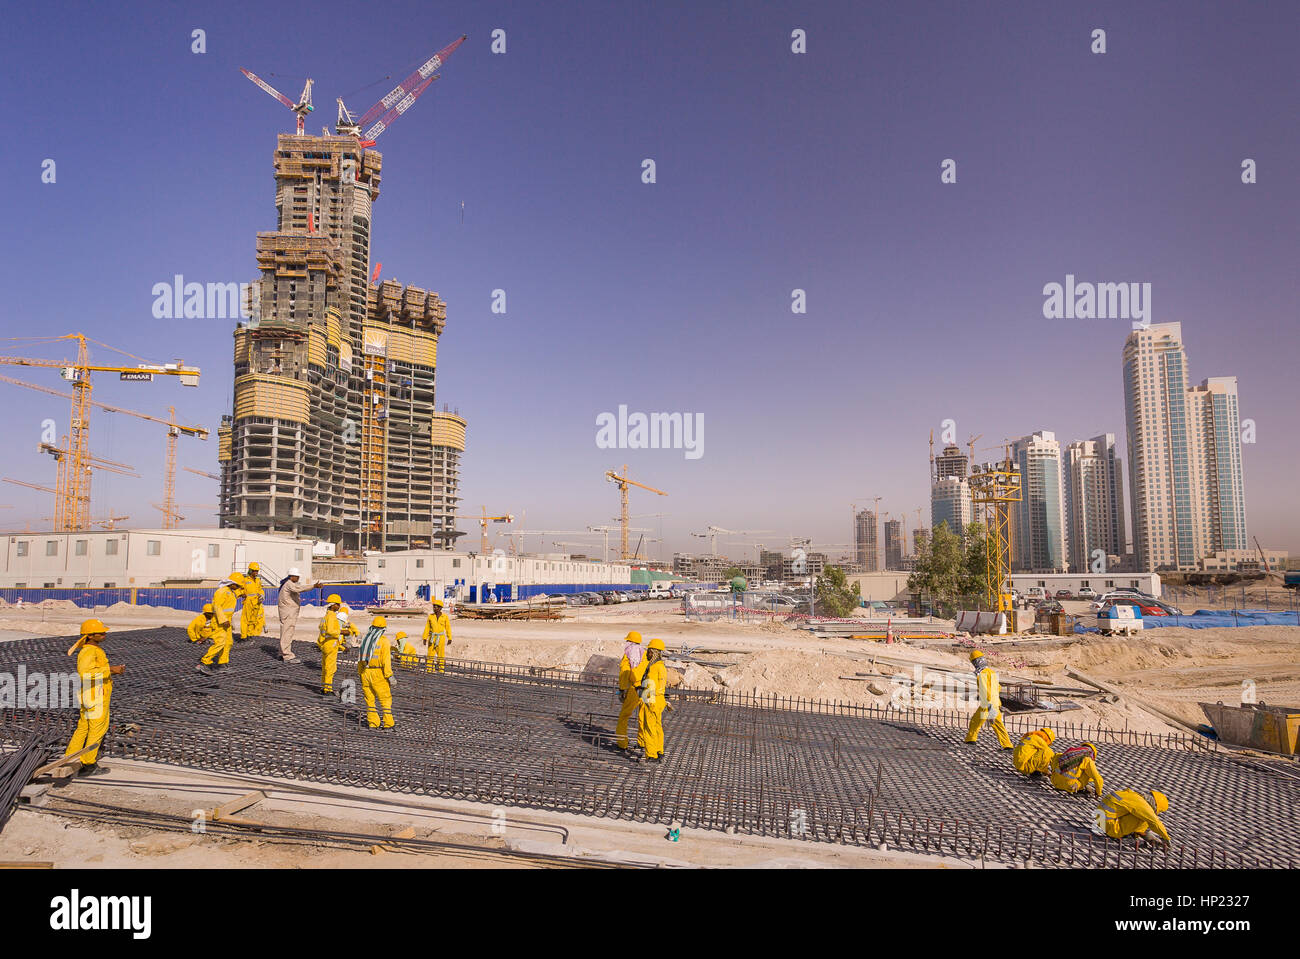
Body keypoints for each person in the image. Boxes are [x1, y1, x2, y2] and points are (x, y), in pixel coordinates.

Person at [62, 619, 124, 778]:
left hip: (90, 694)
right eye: (101, 633)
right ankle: (89, 764)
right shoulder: (89, 651)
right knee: (97, 729)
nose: (104, 634)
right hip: (96, 695)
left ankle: (71, 757)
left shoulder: (92, 649)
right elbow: (85, 673)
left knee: (84, 727)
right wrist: (111, 670)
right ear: (90, 636)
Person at [197, 575, 245, 675]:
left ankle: (222, 664)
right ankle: (204, 663)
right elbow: (216, 606)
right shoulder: (222, 591)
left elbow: (237, 594)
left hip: (227, 622)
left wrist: (243, 592)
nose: (238, 587)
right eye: (237, 585)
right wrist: (223, 620)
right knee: (220, 643)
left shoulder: (230, 592)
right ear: (232, 583)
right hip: (220, 622)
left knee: (228, 643)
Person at [964, 649, 1012, 748]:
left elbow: (985, 689)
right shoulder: (991, 672)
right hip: (995, 703)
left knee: (975, 721)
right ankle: (1007, 745)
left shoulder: (981, 674)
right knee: (997, 724)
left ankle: (971, 739)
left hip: (987, 704)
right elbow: (998, 687)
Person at [1092, 789, 1171, 847]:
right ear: (1156, 806)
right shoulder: (1142, 805)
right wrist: (1166, 838)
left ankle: (1141, 833)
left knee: (1142, 814)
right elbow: (1154, 822)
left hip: (1100, 820)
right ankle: (1124, 837)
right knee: (1145, 818)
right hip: (1109, 827)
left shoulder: (1133, 796)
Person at [357, 616, 396, 729]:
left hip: (365, 672)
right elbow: (386, 661)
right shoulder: (384, 641)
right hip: (378, 674)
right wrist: (390, 676)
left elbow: (360, 658)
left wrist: (360, 672)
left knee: (370, 700)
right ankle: (388, 723)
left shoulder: (366, 640)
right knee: (385, 699)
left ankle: (373, 723)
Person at [635, 638, 669, 763]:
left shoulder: (654, 668)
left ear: (654, 652)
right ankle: (659, 751)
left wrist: (646, 700)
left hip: (652, 700)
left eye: (649, 651)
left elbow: (650, 686)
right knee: (657, 727)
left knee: (649, 728)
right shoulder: (661, 666)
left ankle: (651, 755)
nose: (647, 654)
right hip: (659, 700)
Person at [614, 631, 646, 751]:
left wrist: (622, 689)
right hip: (646, 689)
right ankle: (642, 742)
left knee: (624, 716)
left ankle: (622, 743)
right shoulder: (645, 654)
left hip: (634, 689)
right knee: (643, 716)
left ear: (629, 641)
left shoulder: (627, 655)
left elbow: (624, 674)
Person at [276, 567, 313, 662]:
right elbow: (299, 589)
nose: (298, 579)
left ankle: (282, 653)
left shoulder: (286, 584)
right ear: (292, 576)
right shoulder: (289, 584)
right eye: (297, 577)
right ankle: (287, 655)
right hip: (289, 613)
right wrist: (313, 586)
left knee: (285, 633)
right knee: (287, 633)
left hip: (288, 612)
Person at [317, 593, 350, 695]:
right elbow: (331, 631)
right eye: (338, 604)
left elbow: (322, 630)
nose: (339, 607)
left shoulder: (326, 616)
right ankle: (328, 689)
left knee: (325, 667)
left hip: (325, 644)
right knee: (331, 668)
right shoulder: (331, 616)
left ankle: (323, 687)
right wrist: (342, 632)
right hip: (331, 644)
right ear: (333, 605)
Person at [421, 598, 452, 673]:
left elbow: (448, 627)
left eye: (436, 607)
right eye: (434, 606)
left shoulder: (445, 617)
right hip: (432, 637)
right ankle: (429, 668)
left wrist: (449, 637)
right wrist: (425, 638)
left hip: (440, 638)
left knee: (441, 654)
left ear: (440, 608)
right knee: (430, 654)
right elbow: (427, 627)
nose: (434, 608)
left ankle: (441, 669)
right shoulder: (431, 617)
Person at [239, 562, 265, 641]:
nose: (256, 573)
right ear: (250, 570)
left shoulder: (258, 580)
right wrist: (241, 594)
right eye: (254, 571)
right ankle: (244, 636)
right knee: (245, 619)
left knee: (253, 619)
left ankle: (250, 634)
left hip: (256, 602)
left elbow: (260, 590)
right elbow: (240, 589)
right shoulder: (245, 580)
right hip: (248, 602)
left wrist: (262, 595)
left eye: (257, 571)